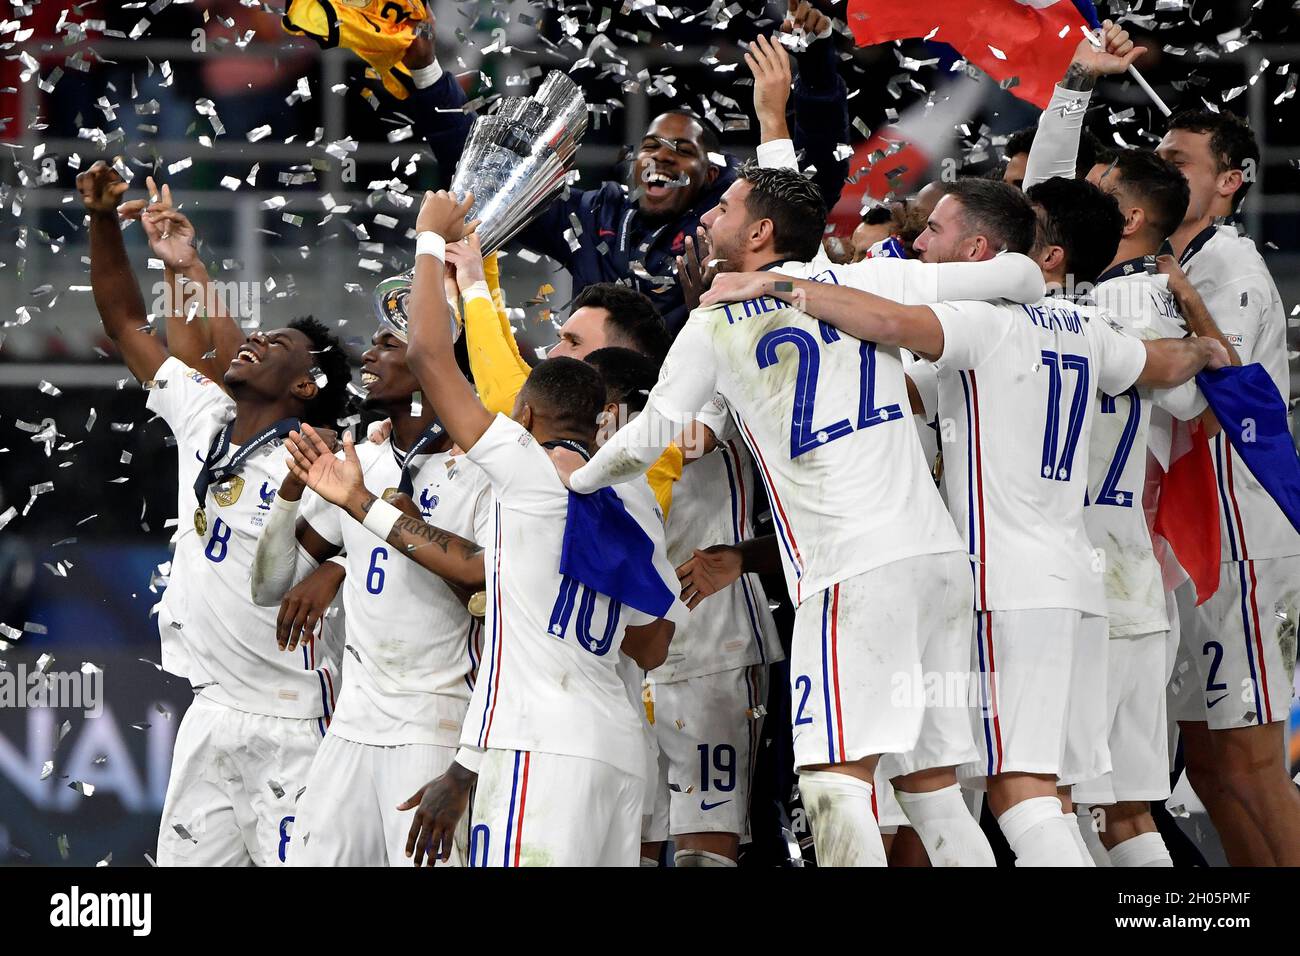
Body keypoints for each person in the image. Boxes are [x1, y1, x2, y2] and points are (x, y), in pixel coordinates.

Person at [703, 175, 1231, 865]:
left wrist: (776, 289)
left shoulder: (983, 324)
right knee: (1088, 806)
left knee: (1021, 796)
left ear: (981, 248)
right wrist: (1205, 343)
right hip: (1088, 591)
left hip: (1004, 588)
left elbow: (889, 325)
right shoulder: (1092, 326)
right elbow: (1168, 362)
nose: (919, 244)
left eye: (936, 232)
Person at [555, 163, 1053, 866]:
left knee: (833, 782)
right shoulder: (864, 282)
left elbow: (650, 437)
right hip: (938, 566)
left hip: (851, 572)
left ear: (758, 232)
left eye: (723, 207)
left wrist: (578, 482)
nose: (707, 217)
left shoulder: (714, 321)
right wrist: (792, 287)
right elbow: (1027, 279)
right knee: (931, 784)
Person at [289, 190, 684, 866]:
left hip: (536, 748)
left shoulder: (528, 471)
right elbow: (651, 643)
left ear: (525, 417)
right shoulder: (634, 497)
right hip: (618, 755)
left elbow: (429, 358)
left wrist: (424, 240)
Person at [77, 160, 351, 867]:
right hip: (211, 708)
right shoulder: (204, 415)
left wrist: (343, 567)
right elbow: (124, 321)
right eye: (259, 336)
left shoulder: (325, 463)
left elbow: (391, 526)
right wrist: (106, 220)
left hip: (296, 717)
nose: (256, 341)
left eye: (279, 345)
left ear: (305, 386)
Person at [403, 6, 850, 332]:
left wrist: (816, 62)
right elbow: (487, 174)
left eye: (681, 150)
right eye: (651, 146)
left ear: (712, 174)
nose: (662, 157)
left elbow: (812, 178)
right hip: (587, 402)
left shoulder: (732, 217)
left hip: (688, 421)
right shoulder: (596, 214)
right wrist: (426, 72)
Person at [249, 311, 493, 866]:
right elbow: (269, 586)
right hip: (352, 725)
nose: (369, 354)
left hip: (432, 721)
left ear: (435, 363)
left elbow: (490, 604)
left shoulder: (482, 469)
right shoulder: (364, 459)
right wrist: (290, 495)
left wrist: (409, 530)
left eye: (389, 343)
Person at [1157, 107, 1300, 866]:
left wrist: (1179, 295)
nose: (1163, 168)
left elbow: (1227, 386)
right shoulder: (1165, 265)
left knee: (1249, 758)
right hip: (1193, 543)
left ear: (1229, 183)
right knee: (1208, 761)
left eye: (1181, 162)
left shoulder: (1233, 271)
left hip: (1246, 543)